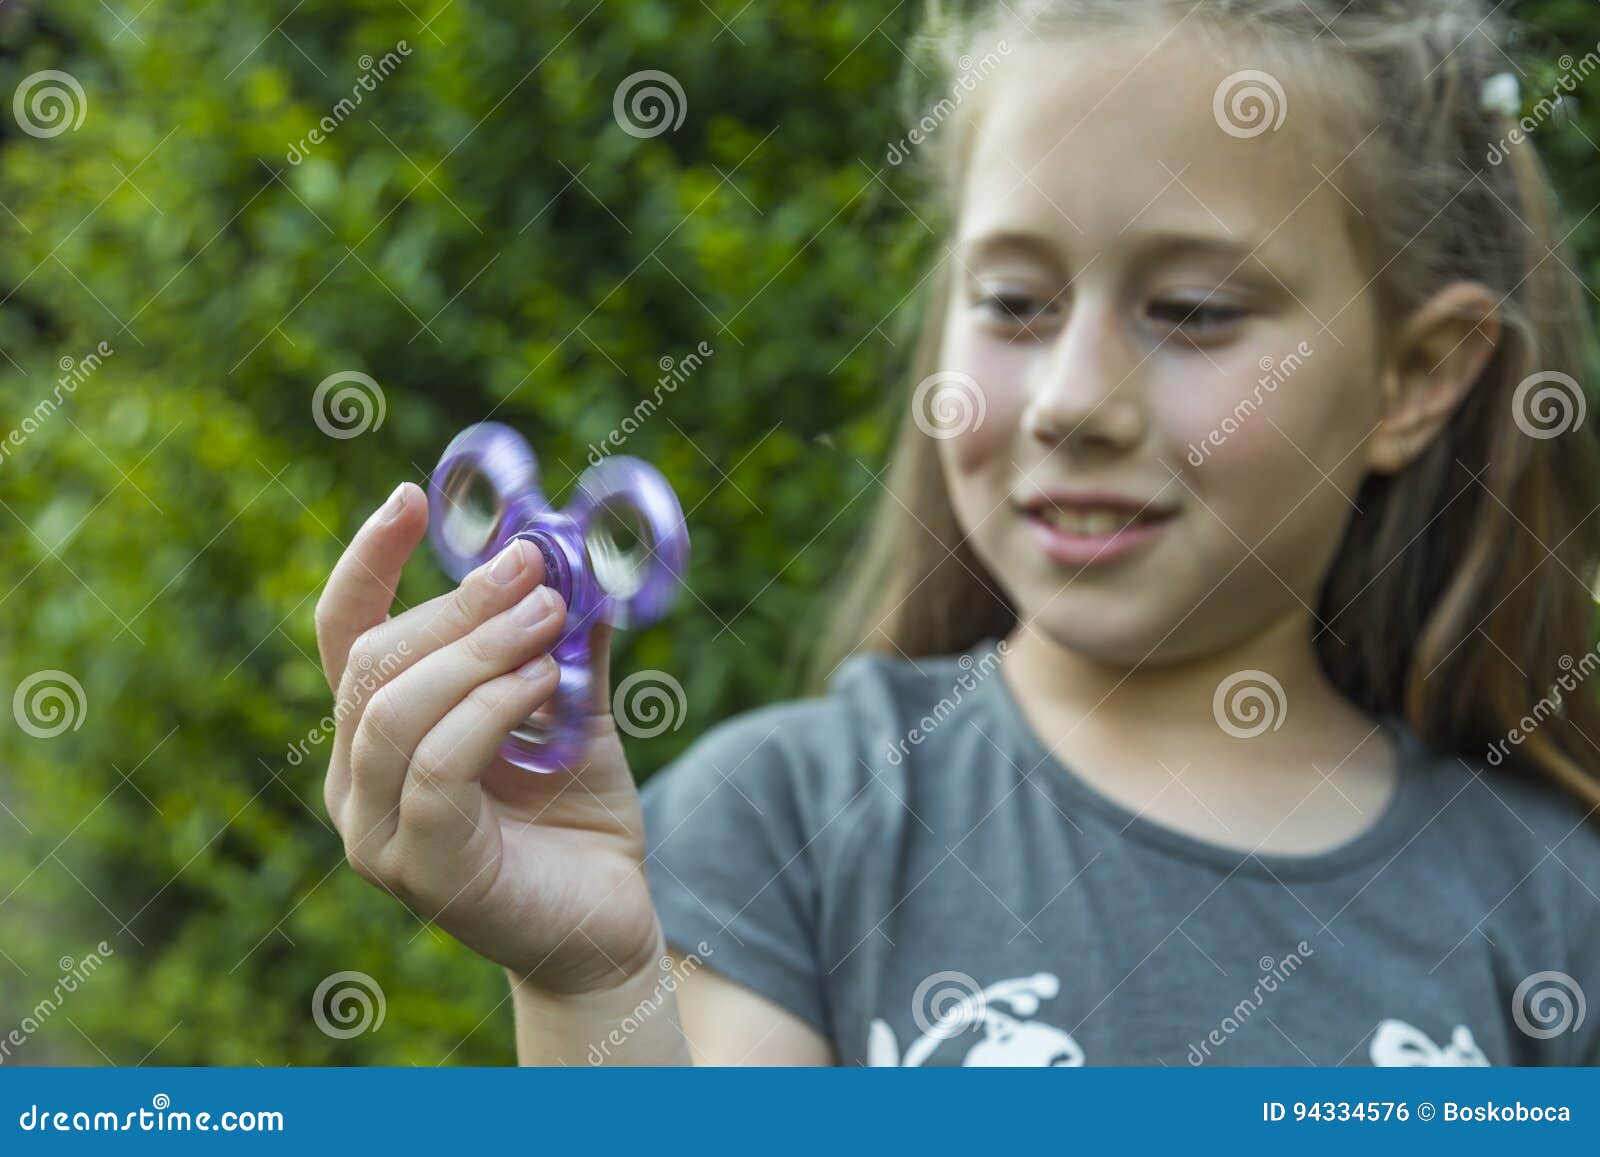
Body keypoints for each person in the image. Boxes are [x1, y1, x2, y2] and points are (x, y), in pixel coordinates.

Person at [313, 0, 1600, 1066]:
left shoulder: (1553, 910)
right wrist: (585, 981)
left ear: (1415, 375)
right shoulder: (788, 827)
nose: (1072, 400)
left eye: (1196, 310)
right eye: (1016, 301)